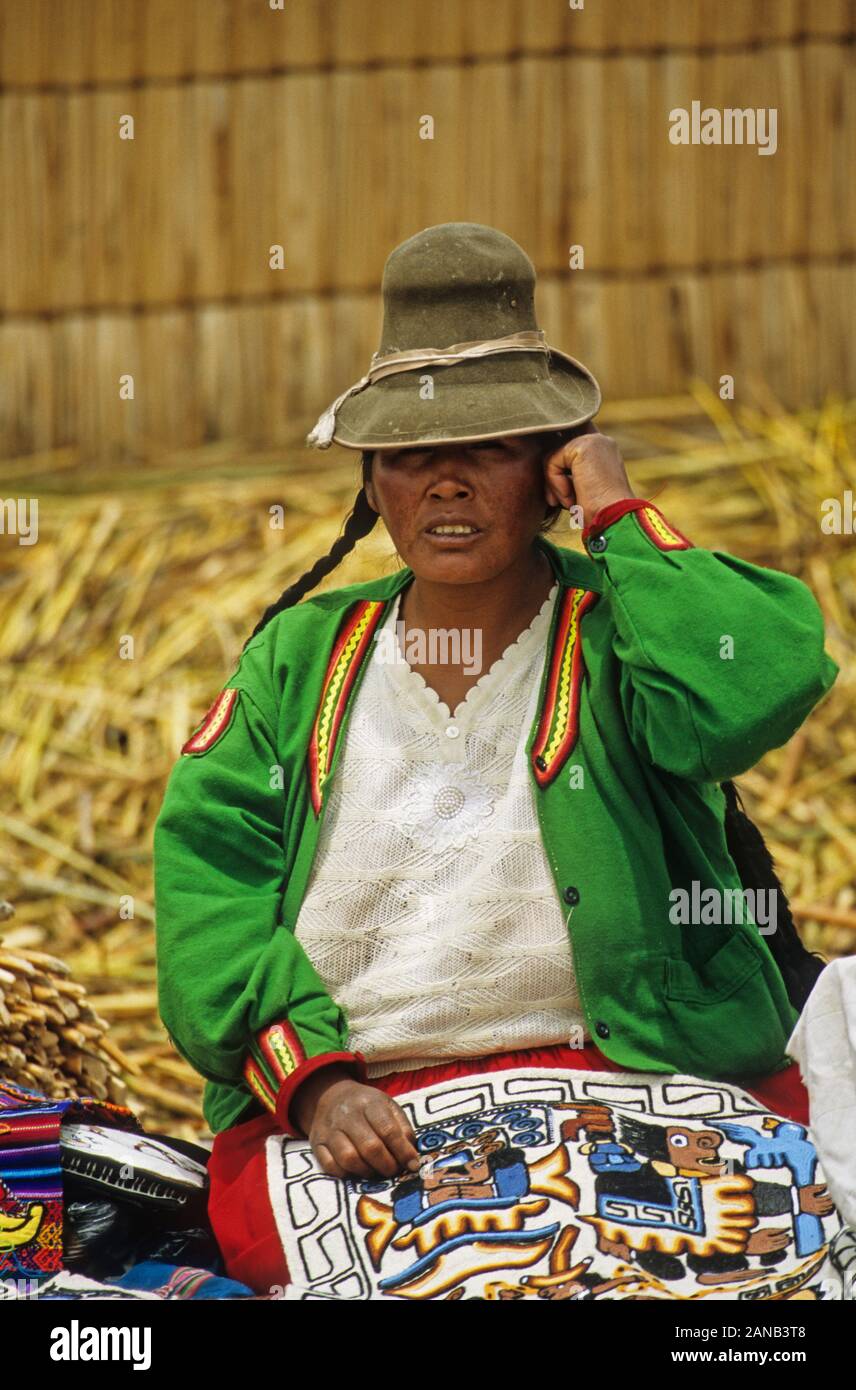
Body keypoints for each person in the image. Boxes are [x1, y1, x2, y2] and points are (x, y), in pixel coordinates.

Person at [152, 223, 839, 1292]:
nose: (446, 484)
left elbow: (750, 687)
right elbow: (211, 882)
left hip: (631, 1087)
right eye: (411, 456)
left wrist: (619, 510)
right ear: (370, 484)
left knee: (707, 1279)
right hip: (366, 1112)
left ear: (550, 467)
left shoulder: (621, 628)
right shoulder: (297, 659)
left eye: (489, 446)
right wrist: (316, 1086)